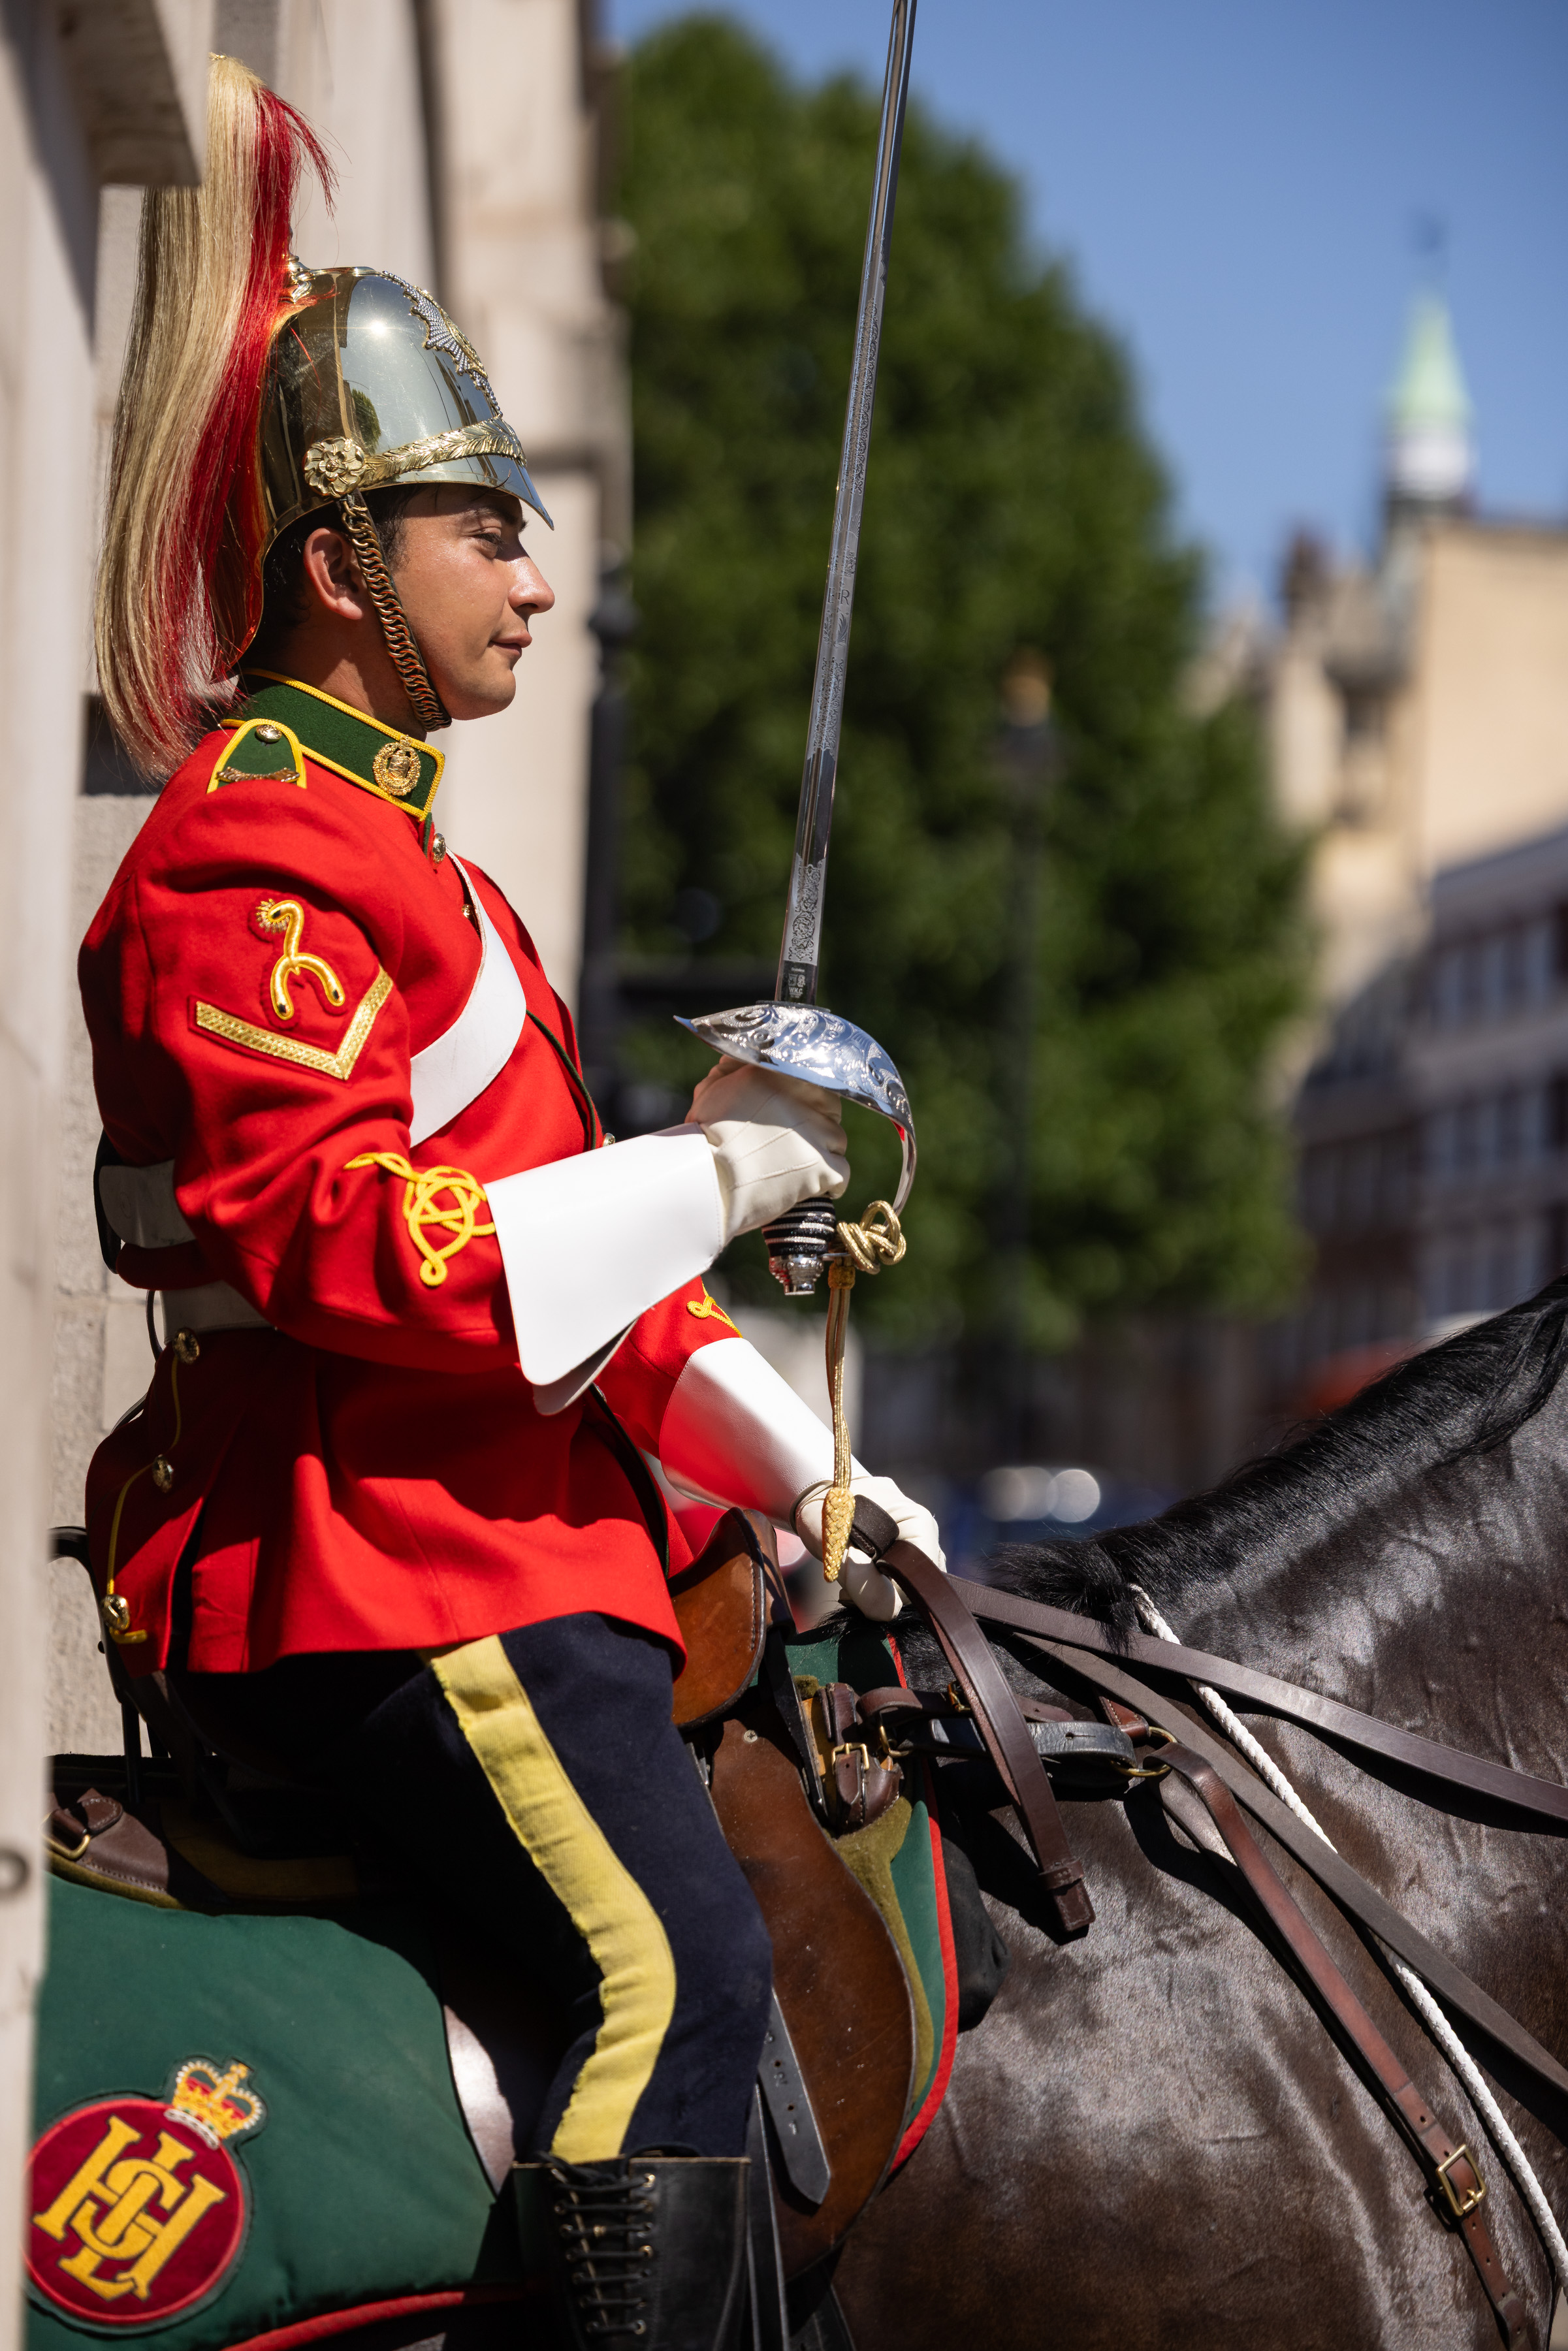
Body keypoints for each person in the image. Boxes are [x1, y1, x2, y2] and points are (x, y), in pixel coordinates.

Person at [80, 56, 943, 2351]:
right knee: (678, 1974)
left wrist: (812, 1464)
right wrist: (713, 1169)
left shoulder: (428, 878)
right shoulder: (252, 857)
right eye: (488, 531)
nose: (543, 581)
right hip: (392, 1570)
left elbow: (585, 1283)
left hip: (527, 1554)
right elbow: (358, 1251)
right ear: (345, 564)